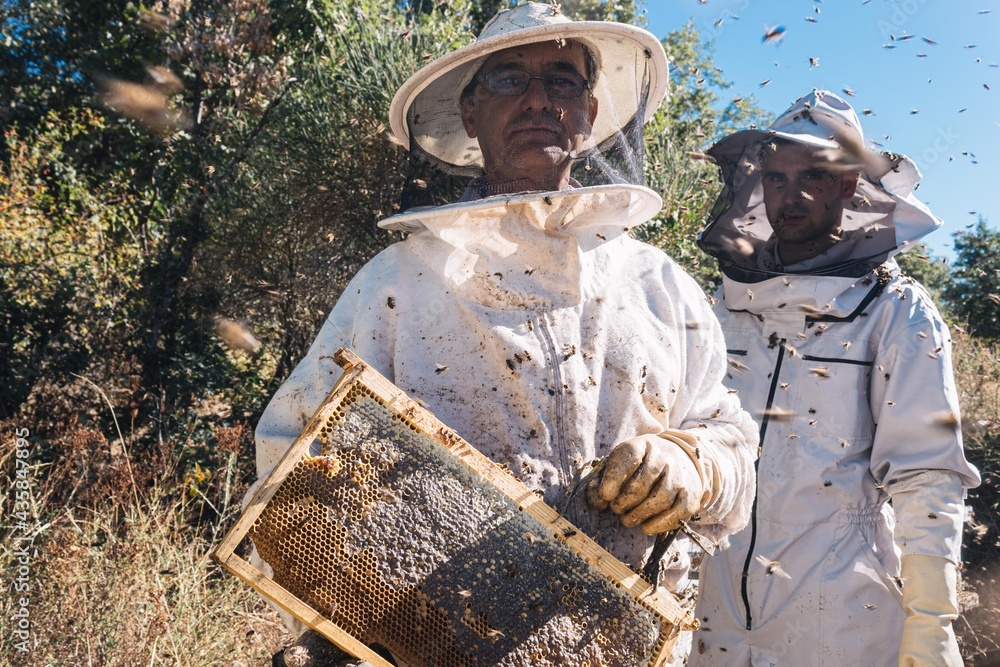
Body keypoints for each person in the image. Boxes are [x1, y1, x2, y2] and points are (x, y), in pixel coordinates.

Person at [253, 3, 758, 664]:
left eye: (562, 80)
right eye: (507, 79)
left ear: (591, 109)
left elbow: (735, 453)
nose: (536, 99)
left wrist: (695, 464)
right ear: (469, 113)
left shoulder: (658, 284)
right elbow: (290, 457)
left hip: (616, 645)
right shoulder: (397, 281)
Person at [692, 90, 981, 666]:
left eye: (814, 178)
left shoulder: (897, 311)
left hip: (841, 616)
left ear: (849, 185)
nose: (790, 196)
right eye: (776, 178)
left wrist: (931, 622)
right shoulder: (719, 310)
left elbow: (926, 474)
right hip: (711, 609)